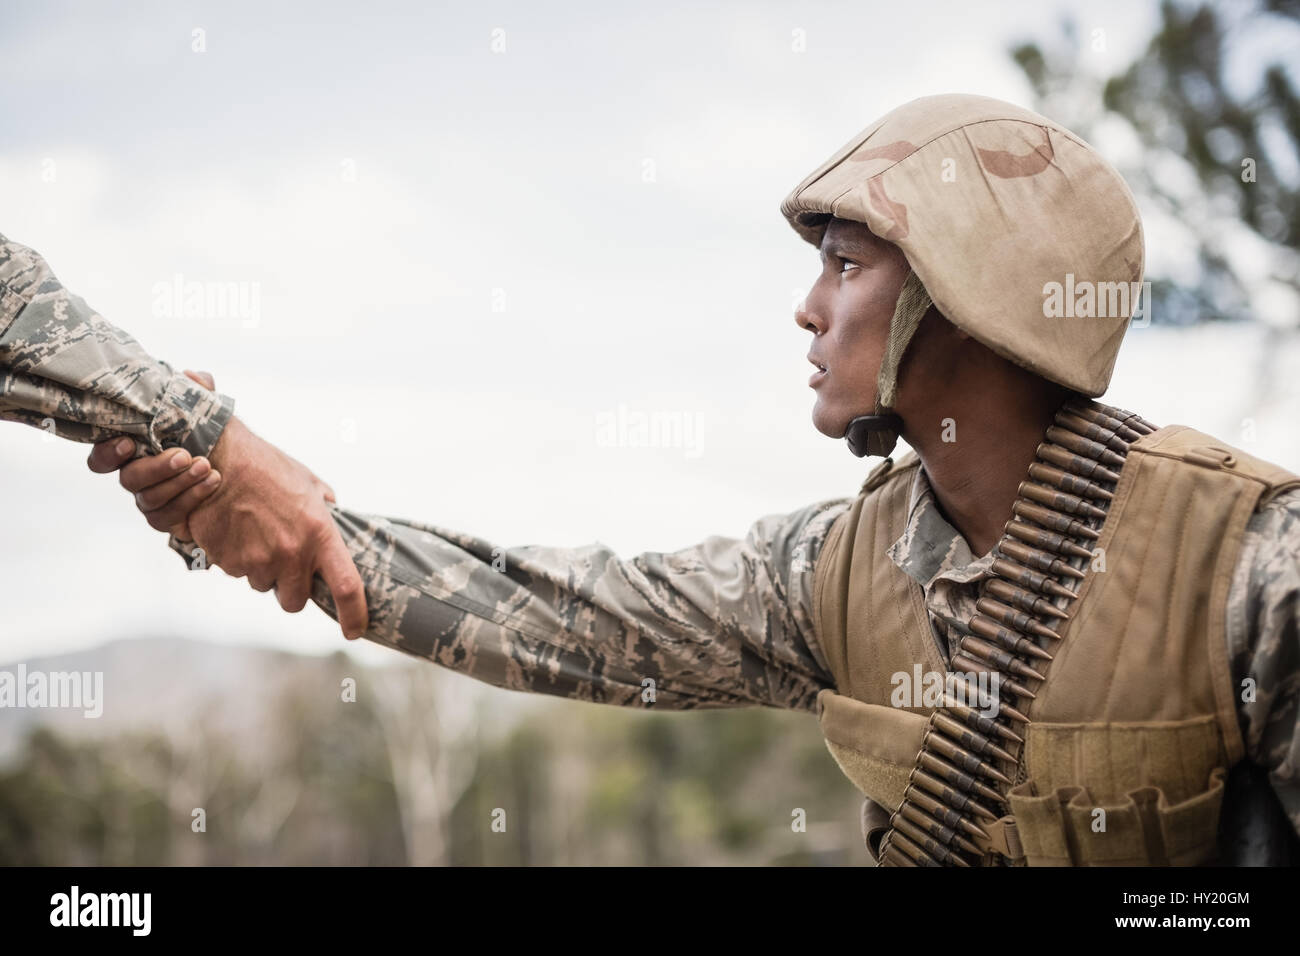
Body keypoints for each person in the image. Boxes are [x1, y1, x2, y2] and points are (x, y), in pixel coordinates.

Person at [4, 93, 1298, 866]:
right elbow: (572, 616)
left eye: (845, 267)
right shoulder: (831, 572)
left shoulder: (1245, 564)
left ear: (963, 299)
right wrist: (309, 536)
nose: (806, 310)